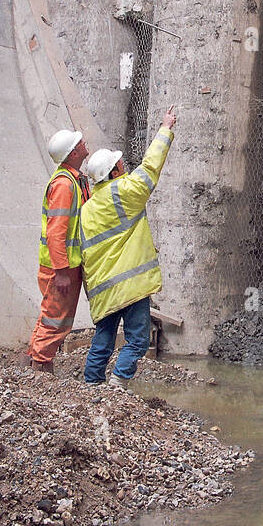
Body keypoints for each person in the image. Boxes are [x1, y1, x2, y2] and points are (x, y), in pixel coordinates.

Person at [78, 106, 176, 386]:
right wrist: (166, 129)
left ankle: (92, 382)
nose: (124, 167)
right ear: (113, 171)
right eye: (119, 165)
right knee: (138, 339)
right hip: (130, 283)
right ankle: (119, 379)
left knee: (104, 336)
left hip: (103, 288)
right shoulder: (124, 193)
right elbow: (150, 168)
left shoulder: (88, 208)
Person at [27, 128, 90, 373]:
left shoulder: (74, 180)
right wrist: (62, 271)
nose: (84, 143)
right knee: (56, 320)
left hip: (62, 265)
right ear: (73, 153)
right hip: (60, 267)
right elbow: (56, 233)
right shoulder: (65, 185)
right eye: (80, 142)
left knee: (50, 315)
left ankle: (30, 362)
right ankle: (41, 367)